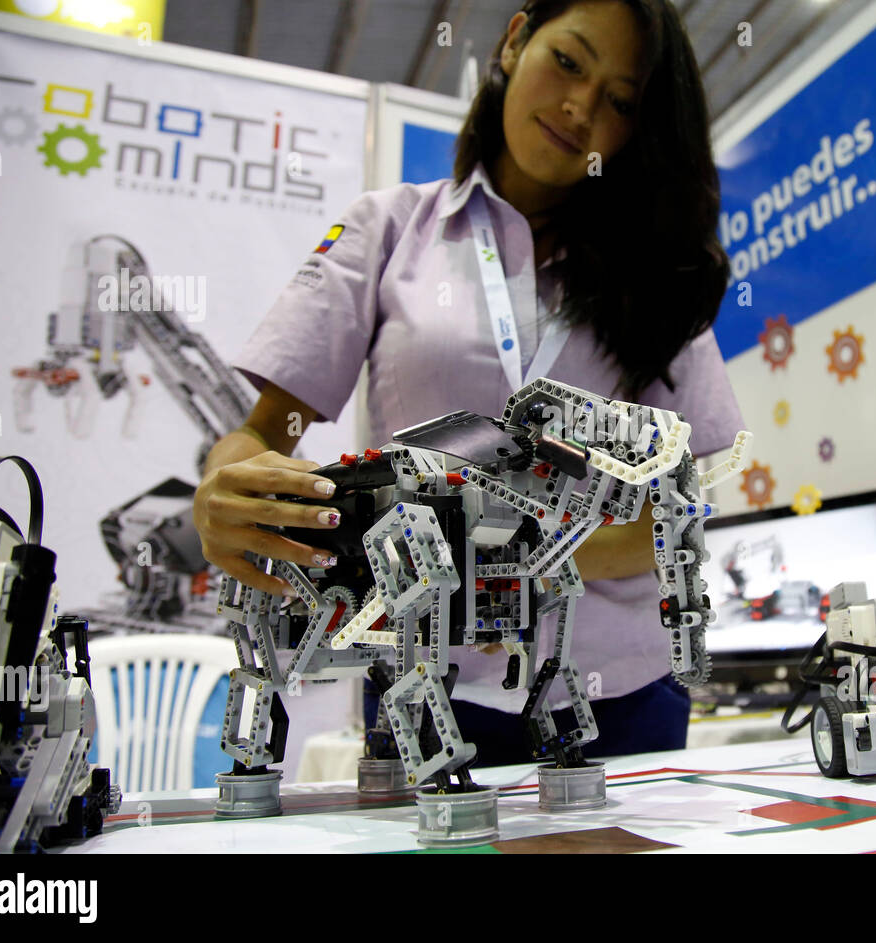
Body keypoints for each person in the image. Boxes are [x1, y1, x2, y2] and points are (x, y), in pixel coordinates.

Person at [193, 0, 744, 767]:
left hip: (617, 691)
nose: (580, 107)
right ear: (517, 40)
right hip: (423, 678)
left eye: (620, 100)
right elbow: (265, 433)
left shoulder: (656, 278)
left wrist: (506, 557)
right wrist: (227, 486)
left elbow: (676, 508)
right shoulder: (386, 232)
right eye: (569, 61)